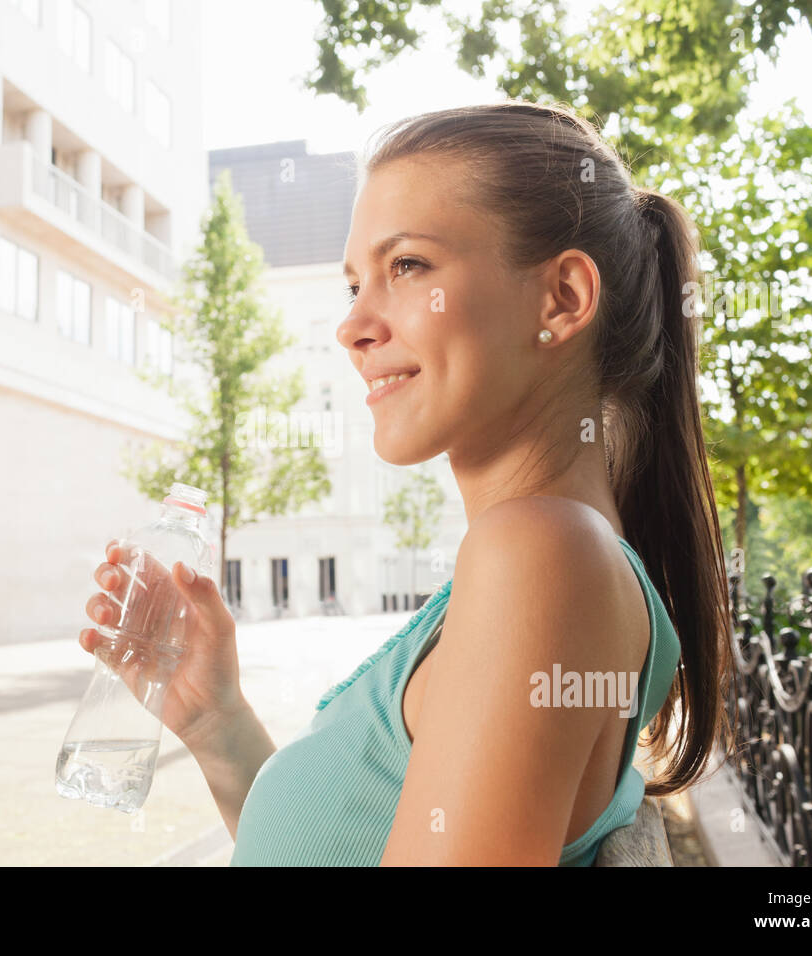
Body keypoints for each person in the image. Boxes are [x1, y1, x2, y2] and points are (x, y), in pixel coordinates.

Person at [79, 99, 738, 866]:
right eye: (354, 285)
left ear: (561, 299)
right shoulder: (542, 562)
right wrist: (217, 725)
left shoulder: (542, 556)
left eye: (407, 267)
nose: (353, 326)